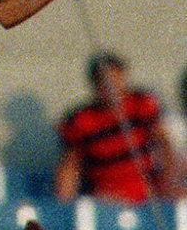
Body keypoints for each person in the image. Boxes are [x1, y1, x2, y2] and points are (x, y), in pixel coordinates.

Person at [53, 51, 181, 203]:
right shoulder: (81, 121)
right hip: (107, 199)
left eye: (116, 81)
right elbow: (70, 167)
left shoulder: (141, 105)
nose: (112, 88)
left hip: (150, 194)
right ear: (95, 85)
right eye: (104, 83)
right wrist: (64, 205)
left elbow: (164, 147)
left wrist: (171, 187)